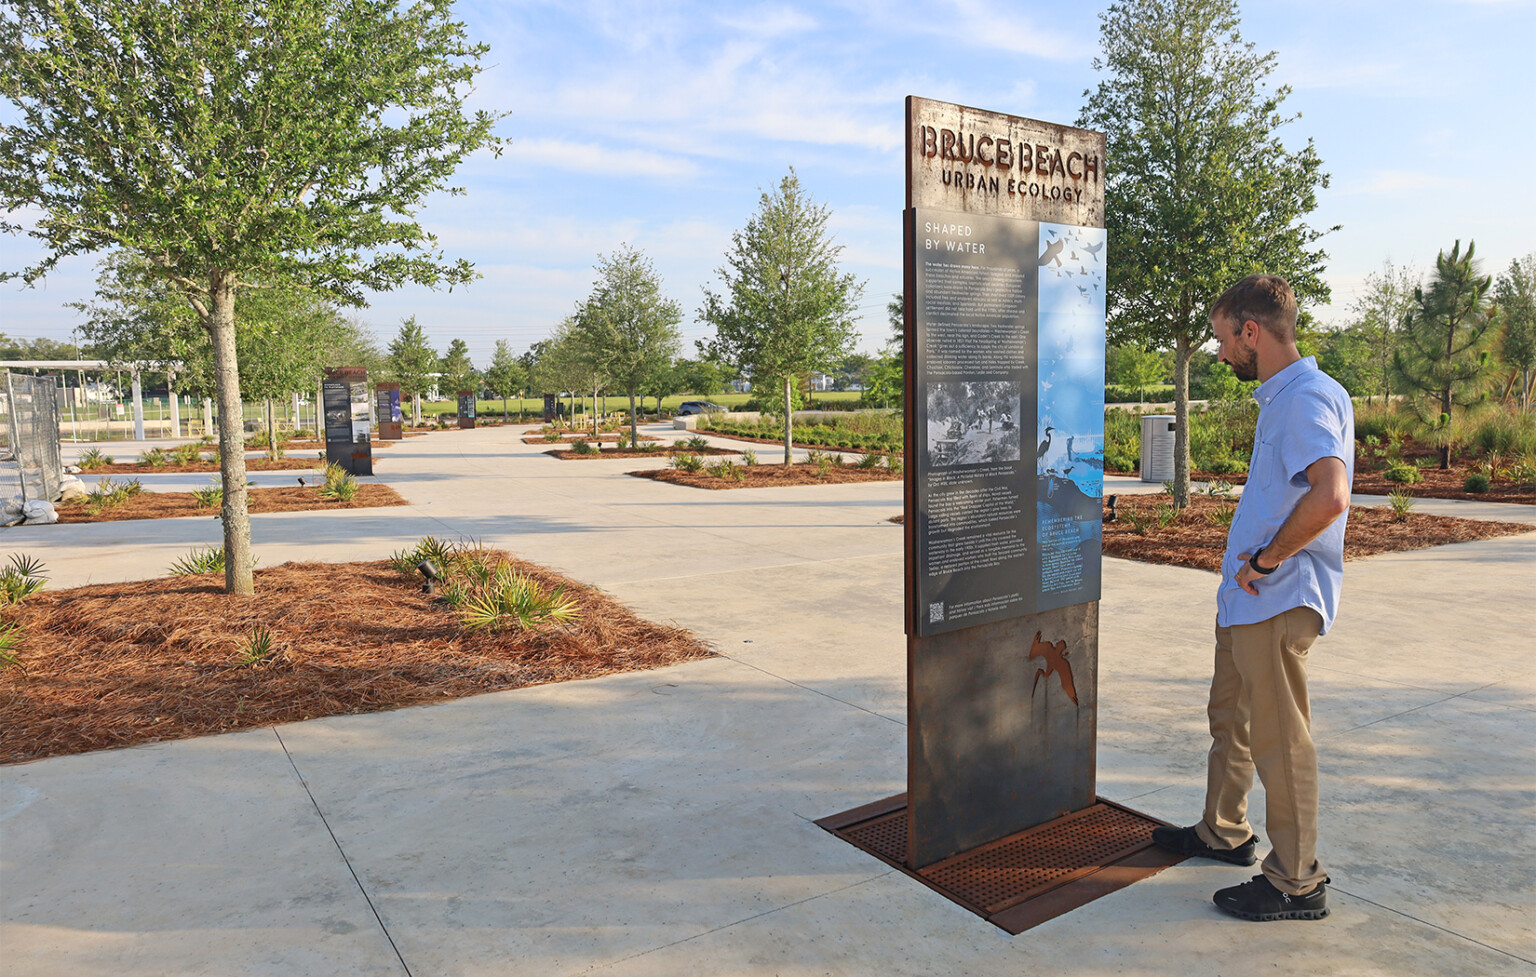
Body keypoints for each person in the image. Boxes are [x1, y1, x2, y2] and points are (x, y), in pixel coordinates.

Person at [1151, 274, 1354, 922]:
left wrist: (1266, 559)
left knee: (1279, 740)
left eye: (1221, 339)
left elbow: (1330, 494)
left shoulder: (1306, 398)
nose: (1218, 353)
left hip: (1275, 596)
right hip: (1248, 601)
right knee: (1231, 721)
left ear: (1251, 332)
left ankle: (1296, 880)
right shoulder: (1285, 398)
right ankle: (1224, 830)